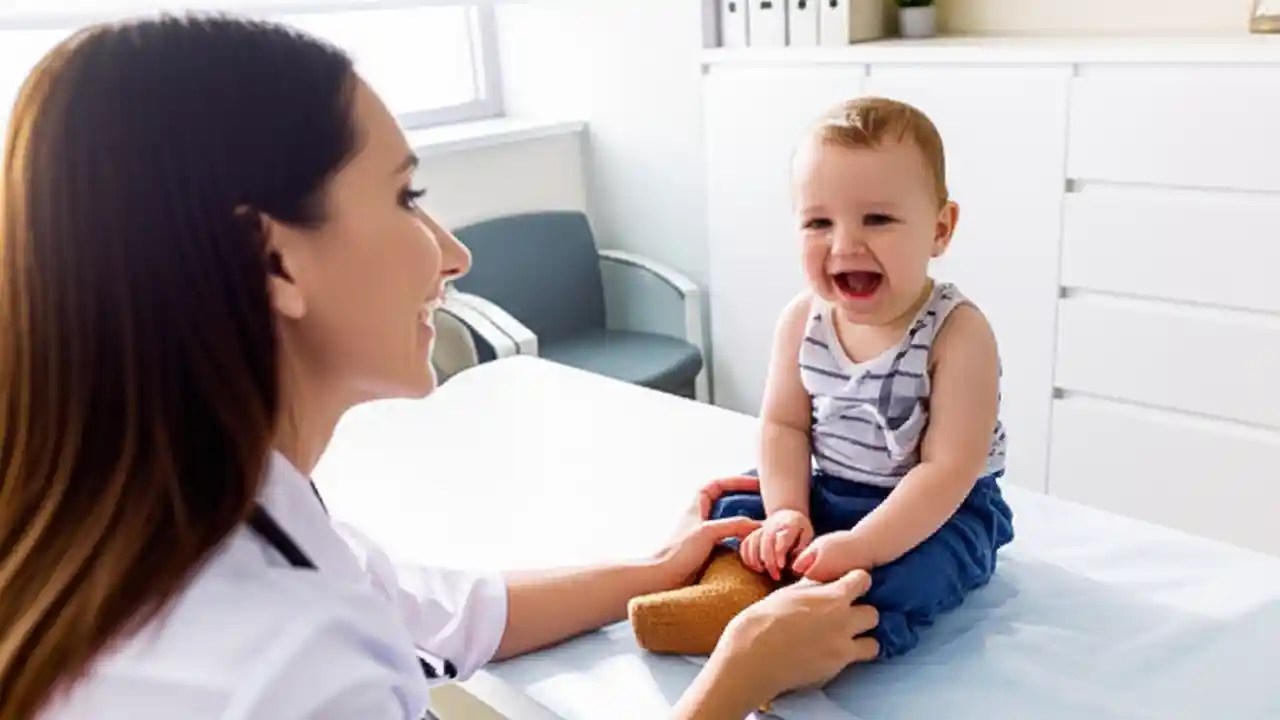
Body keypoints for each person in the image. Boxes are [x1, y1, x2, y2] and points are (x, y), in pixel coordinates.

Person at [0, 15, 881, 720]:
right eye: (405, 197)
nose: (454, 255)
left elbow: (438, 610)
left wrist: (648, 575)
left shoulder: (193, 515)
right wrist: (737, 682)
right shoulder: (294, 674)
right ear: (272, 264)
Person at [632, 98, 1014, 660]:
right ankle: (731, 594)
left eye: (878, 219)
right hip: (830, 485)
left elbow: (947, 470)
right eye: (818, 222)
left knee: (921, 573)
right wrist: (788, 512)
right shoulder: (802, 320)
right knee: (734, 503)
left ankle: (823, 639)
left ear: (940, 229)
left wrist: (864, 546)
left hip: (939, 508)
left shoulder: (959, 335)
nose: (844, 244)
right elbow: (784, 428)